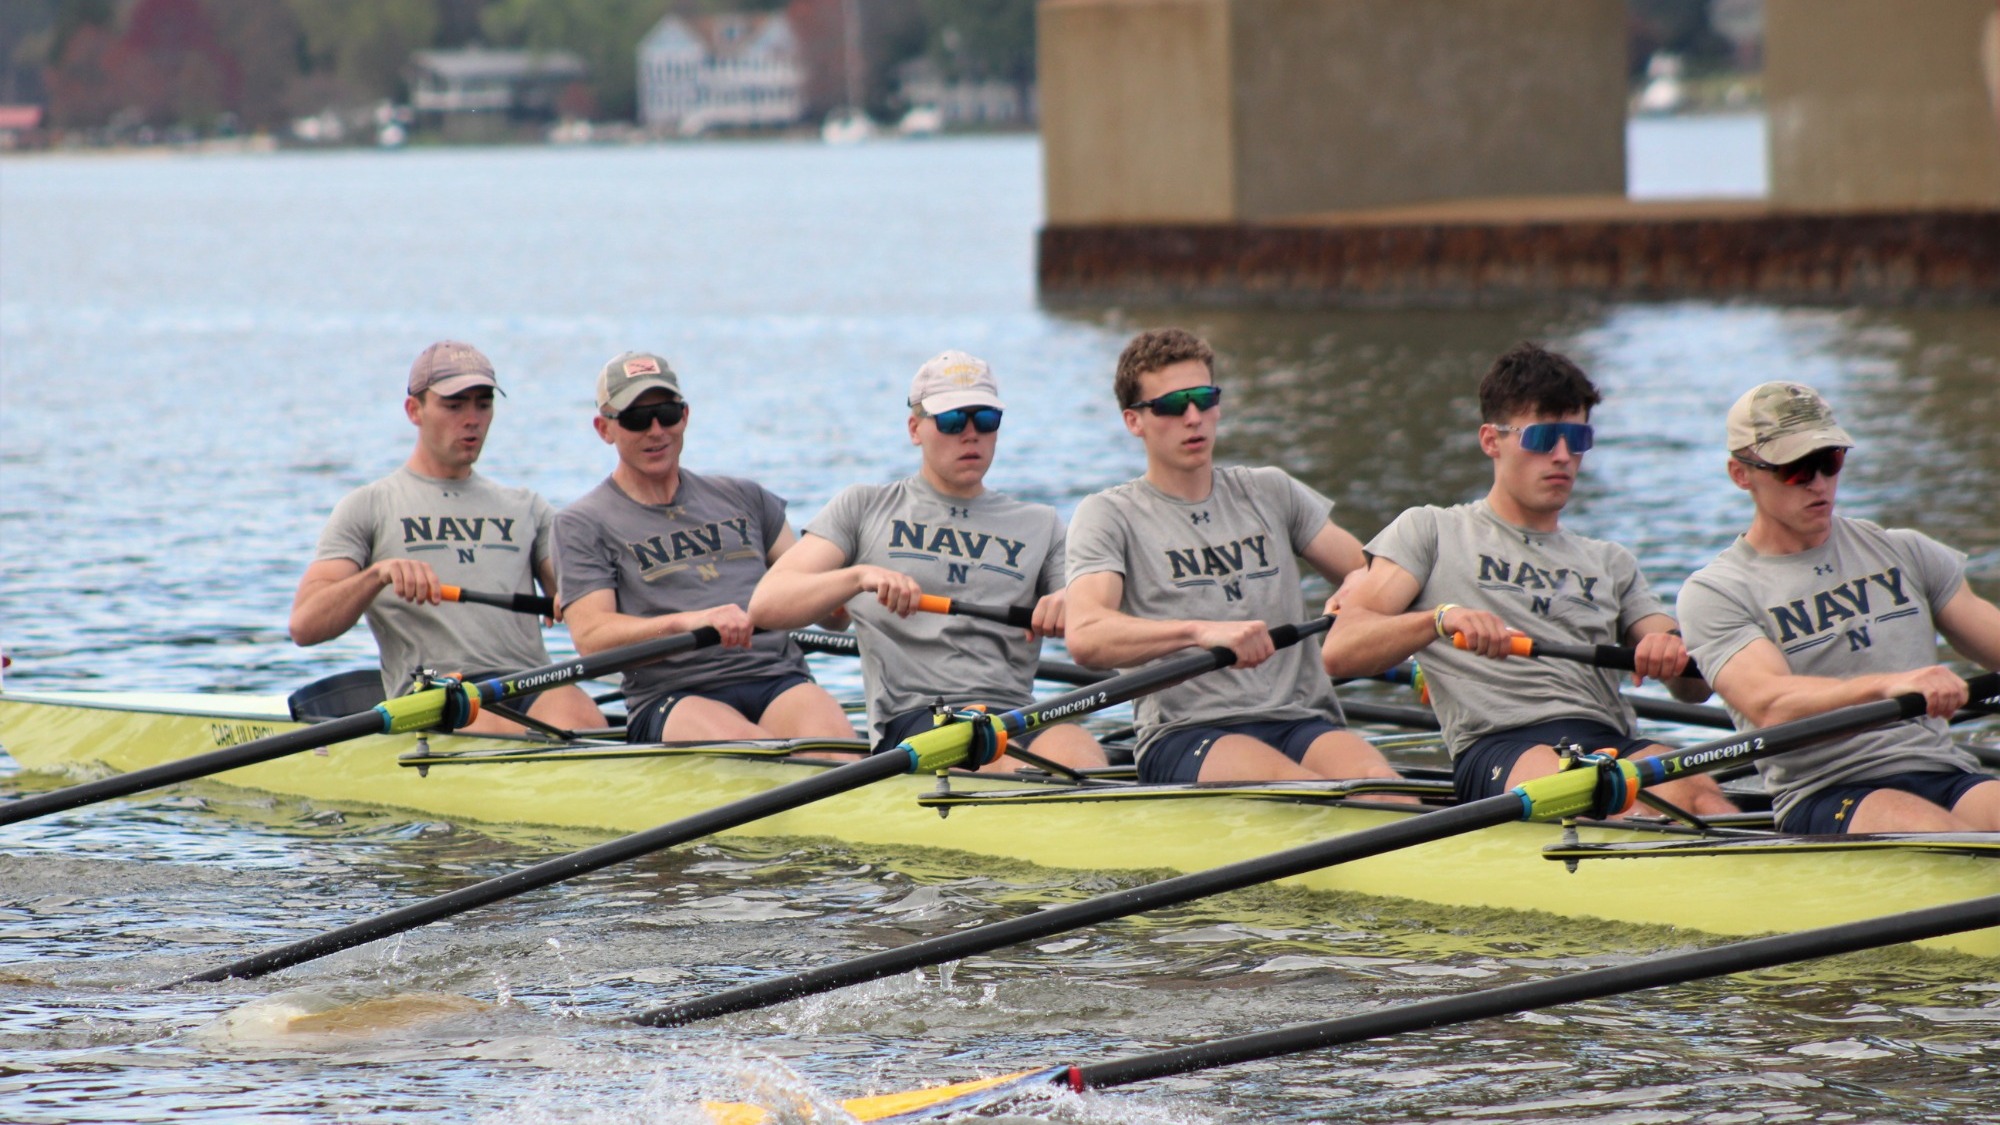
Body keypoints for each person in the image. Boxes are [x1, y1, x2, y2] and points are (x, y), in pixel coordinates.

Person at [1323, 343, 1736, 815]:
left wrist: (1670, 648)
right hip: (1501, 746)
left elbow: (1694, 688)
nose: (1562, 456)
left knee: (1703, 797)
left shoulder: (1610, 561)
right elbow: (1340, 651)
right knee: (1615, 803)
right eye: (1543, 438)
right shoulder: (1431, 531)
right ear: (1490, 440)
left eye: (1577, 439)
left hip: (1609, 738)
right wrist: (1438, 620)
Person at [1062, 328, 1407, 788]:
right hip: (1187, 734)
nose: (1193, 418)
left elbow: (1378, 576)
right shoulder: (1109, 515)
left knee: (1384, 789)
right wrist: (1199, 631)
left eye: (1204, 399)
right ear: (1134, 421)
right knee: (1305, 793)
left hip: (1300, 721)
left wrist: (1360, 586)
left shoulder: (1270, 490)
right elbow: (1085, 635)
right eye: (1172, 405)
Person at [749, 351, 1107, 771]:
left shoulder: (1042, 523)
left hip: (1014, 716)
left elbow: (1096, 621)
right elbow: (766, 605)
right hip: (918, 722)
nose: (971, 434)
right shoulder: (863, 507)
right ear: (914, 429)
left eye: (985, 419)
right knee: (1001, 755)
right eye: (953, 420)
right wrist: (858, 577)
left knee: (1078, 745)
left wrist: (1069, 601)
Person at [1677, 381, 2000, 833]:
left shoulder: (1906, 551)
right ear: (1740, 474)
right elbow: (1770, 704)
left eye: (1829, 462)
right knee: (1950, 840)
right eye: (1795, 469)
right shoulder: (1717, 591)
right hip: (1826, 791)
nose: (1819, 483)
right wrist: (1888, 685)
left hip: (1944, 772)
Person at [290, 340, 604, 735]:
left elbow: (592, 611)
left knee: (580, 712)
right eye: (454, 406)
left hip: (529, 684)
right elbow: (305, 626)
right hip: (437, 695)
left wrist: (578, 597)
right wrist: (377, 576)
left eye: (483, 404)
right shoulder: (368, 506)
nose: (472, 419)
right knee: (500, 724)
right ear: (414, 410)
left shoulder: (528, 507)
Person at [553, 350, 854, 745]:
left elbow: (832, 618)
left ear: (685, 415)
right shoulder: (581, 523)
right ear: (604, 428)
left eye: (667, 414)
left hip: (778, 678)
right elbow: (592, 638)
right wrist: (687, 622)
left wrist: (851, 588)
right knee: (760, 757)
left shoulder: (746, 497)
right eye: (636, 418)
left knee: (839, 754)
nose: (656, 430)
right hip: (675, 695)